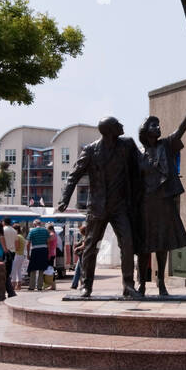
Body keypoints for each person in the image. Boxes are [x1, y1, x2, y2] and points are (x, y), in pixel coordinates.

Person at [58, 116, 143, 299]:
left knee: (127, 244)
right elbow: (74, 175)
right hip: (97, 207)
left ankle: (128, 285)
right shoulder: (91, 150)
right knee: (90, 248)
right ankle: (86, 286)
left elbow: (142, 164)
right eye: (117, 124)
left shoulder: (127, 145)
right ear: (110, 130)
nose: (122, 125)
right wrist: (65, 199)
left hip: (121, 206)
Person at [137, 102, 186, 297]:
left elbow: (182, 128)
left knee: (162, 244)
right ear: (145, 131)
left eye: (158, 124)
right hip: (146, 203)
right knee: (144, 245)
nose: (158, 127)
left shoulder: (167, 145)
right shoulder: (140, 155)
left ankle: (161, 282)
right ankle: (142, 283)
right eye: (153, 125)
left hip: (164, 202)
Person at [27, 218, 50, 290]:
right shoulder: (46, 231)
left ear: (34, 224)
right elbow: (48, 242)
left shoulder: (32, 231)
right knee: (41, 269)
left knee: (33, 268)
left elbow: (28, 243)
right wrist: (48, 252)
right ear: (40, 224)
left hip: (35, 250)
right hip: (44, 250)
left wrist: (28, 253)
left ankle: (31, 286)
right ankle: (40, 286)